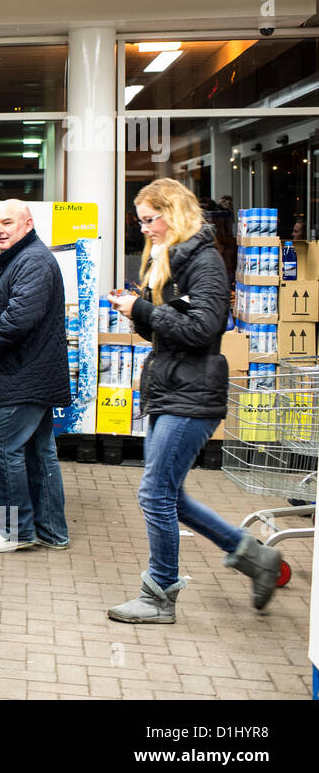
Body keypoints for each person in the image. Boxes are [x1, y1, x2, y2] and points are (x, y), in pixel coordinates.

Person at [107, 179, 282, 623]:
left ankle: (159, 595)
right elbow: (165, 329)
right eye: (140, 220)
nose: (144, 229)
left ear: (174, 212)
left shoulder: (203, 261)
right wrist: (135, 309)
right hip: (171, 390)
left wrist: (144, 311)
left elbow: (205, 328)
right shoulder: (169, 261)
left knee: (154, 494)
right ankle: (255, 559)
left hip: (192, 396)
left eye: (150, 219)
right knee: (171, 497)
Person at [0, 200, 71, 552]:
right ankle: (52, 532)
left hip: (26, 374)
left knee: (2, 444)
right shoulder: (16, 260)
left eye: (7, 223)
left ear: (27, 224)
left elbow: (18, 320)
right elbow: (0, 311)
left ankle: (18, 532)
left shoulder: (34, 262)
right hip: (27, 373)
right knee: (40, 452)